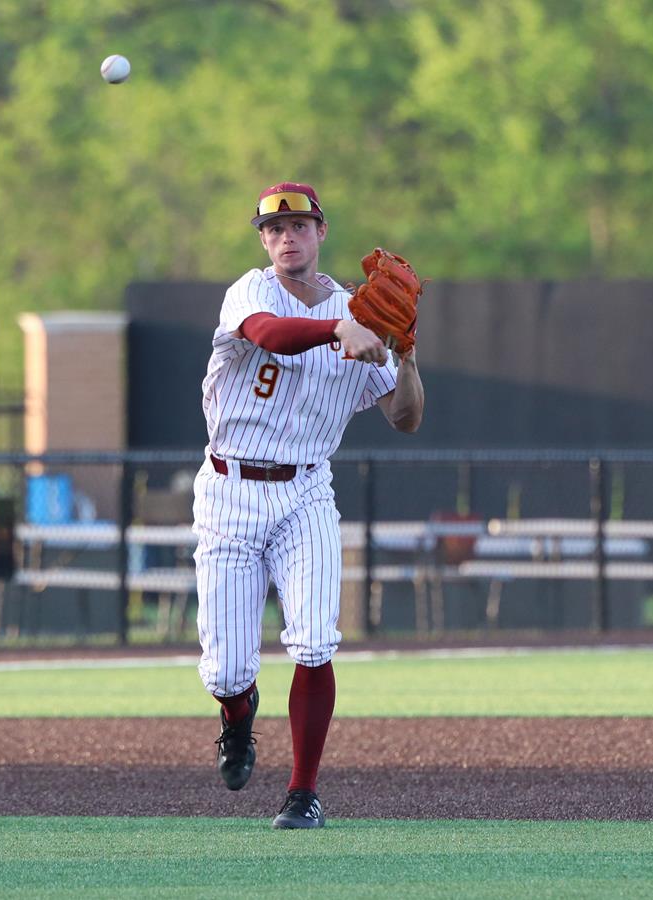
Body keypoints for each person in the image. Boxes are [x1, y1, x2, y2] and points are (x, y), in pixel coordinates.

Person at [194, 181, 425, 829]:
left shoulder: (360, 313)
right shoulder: (250, 292)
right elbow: (268, 335)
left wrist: (407, 356)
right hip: (230, 488)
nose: (285, 237)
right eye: (273, 229)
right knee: (226, 670)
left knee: (316, 642)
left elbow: (405, 417)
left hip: (305, 492)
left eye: (298, 225)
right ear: (263, 241)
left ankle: (303, 793)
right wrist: (338, 329)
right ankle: (237, 715)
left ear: (321, 232)